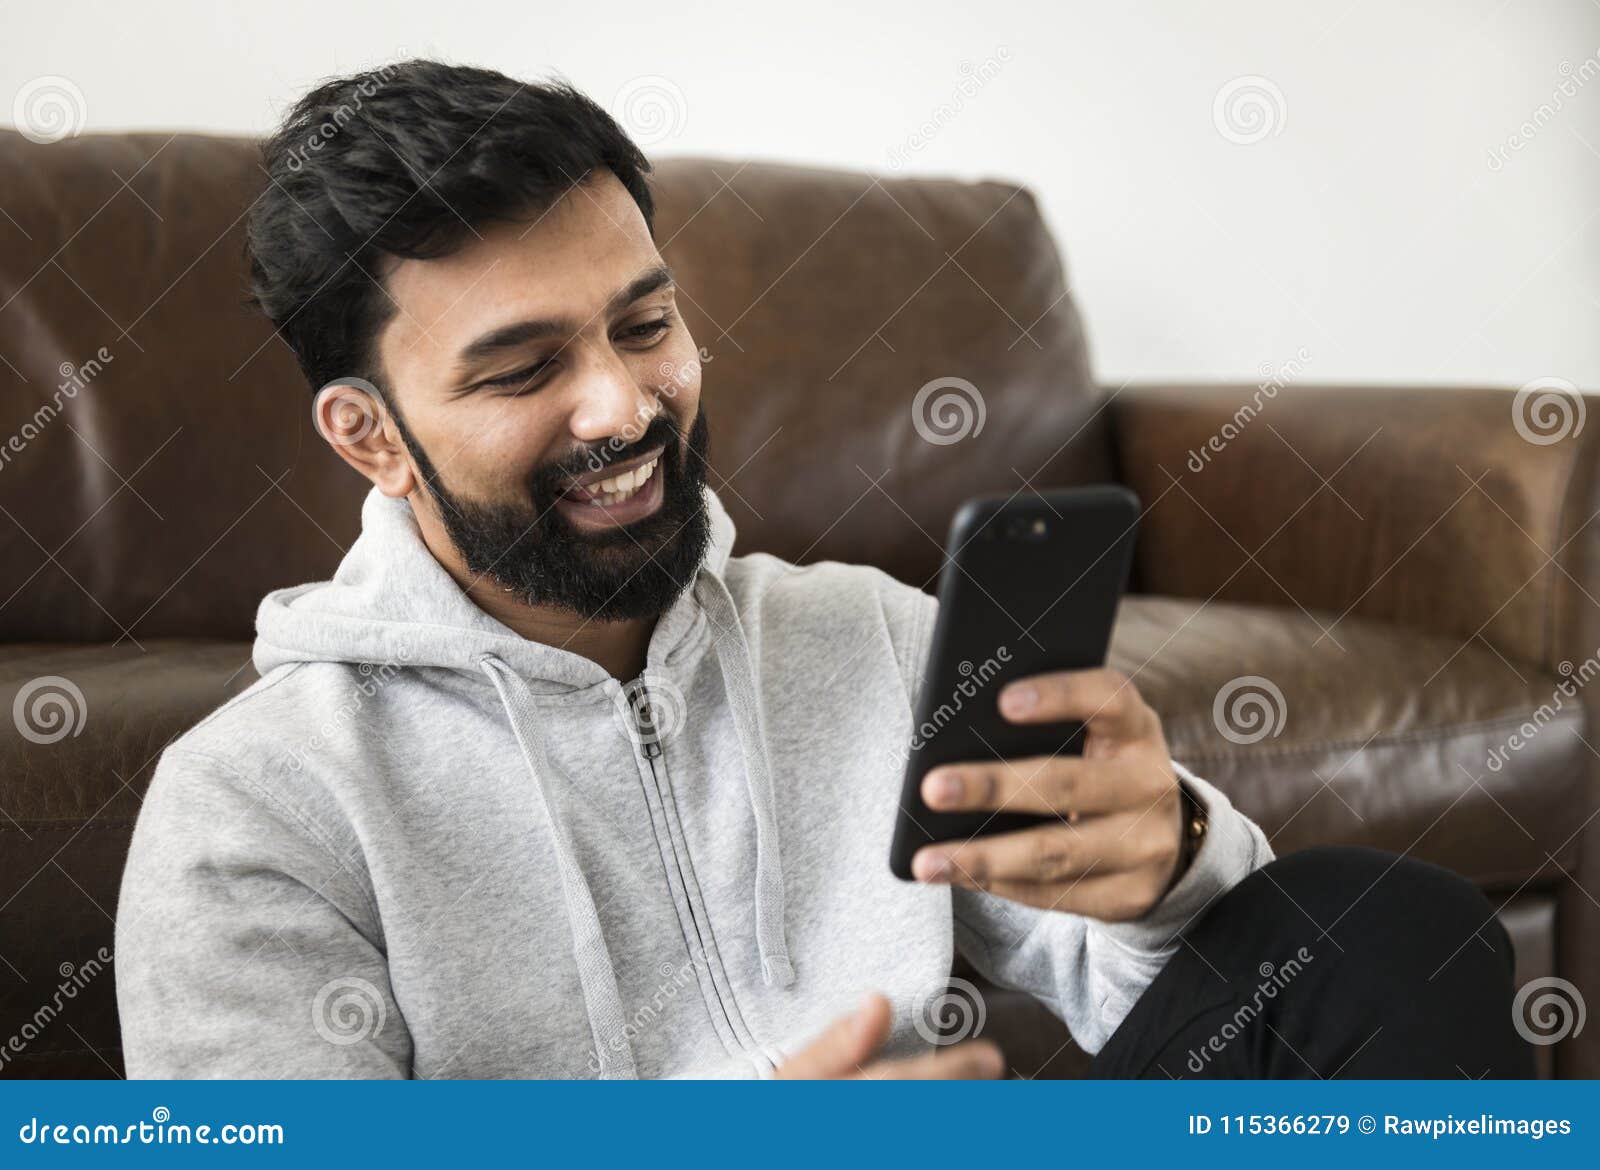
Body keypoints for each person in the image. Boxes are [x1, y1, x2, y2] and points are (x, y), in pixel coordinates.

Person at [114, 60, 1531, 1080]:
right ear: (372, 437)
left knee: (1385, 931)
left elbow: (1165, 1003)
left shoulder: (867, 636)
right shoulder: (253, 812)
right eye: (526, 368)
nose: (621, 407)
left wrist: (1162, 865)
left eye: (645, 323)